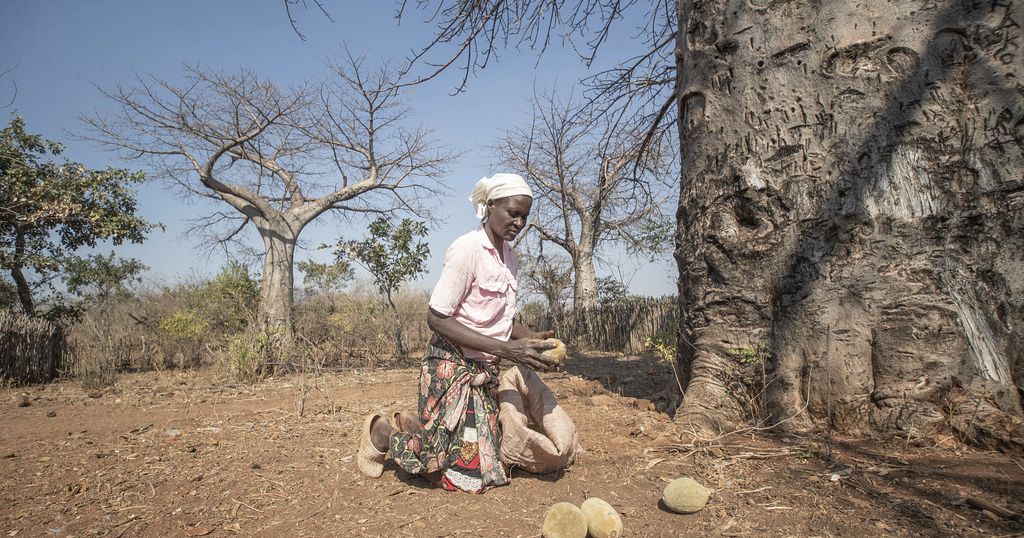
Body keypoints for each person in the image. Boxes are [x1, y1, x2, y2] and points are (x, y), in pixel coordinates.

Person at [357, 172, 559, 493]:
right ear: (490, 206)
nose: (519, 223)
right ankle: (382, 433)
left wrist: (532, 338)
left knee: (493, 461)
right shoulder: (467, 250)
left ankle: (419, 429)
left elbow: (500, 318)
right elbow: (436, 318)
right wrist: (507, 350)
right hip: (450, 368)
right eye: (513, 213)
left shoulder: (510, 258)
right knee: (464, 476)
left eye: (524, 216)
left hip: (483, 373)